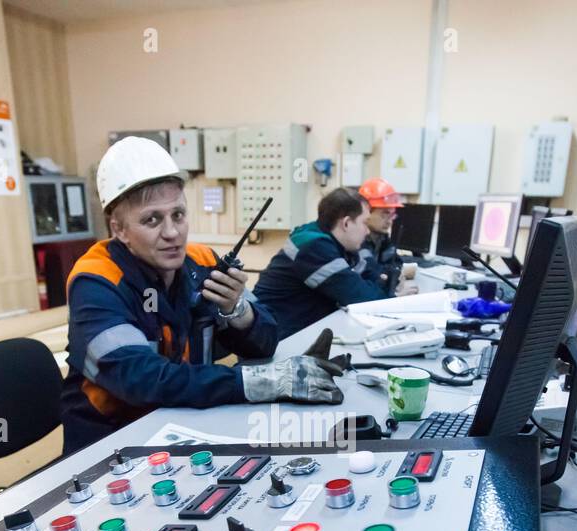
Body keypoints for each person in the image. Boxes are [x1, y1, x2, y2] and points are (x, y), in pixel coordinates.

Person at [60, 137, 344, 455]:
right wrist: (258, 382)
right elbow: (142, 380)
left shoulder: (203, 262)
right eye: (151, 219)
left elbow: (265, 343)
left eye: (178, 215)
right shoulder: (96, 281)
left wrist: (237, 312)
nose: (171, 232)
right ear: (119, 229)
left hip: (186, 424)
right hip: (111, 444)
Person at [251, 187, 391, 341]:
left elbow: (370, 274)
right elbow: (362, 298)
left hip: (296, 329)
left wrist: (383, 284)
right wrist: (389, 290)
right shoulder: (314, 247)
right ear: (346, 223)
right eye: (365, 223)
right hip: (275, 338)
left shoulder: (333, 242)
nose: (367, 231)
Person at [357, 177, 416, 297]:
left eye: (392, 215)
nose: (389, 221)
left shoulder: (382, 238)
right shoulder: (357, 240)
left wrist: (394, 275)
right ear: (366, 211)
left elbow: (395, 263)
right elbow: (370, 270)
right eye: (385, 214)